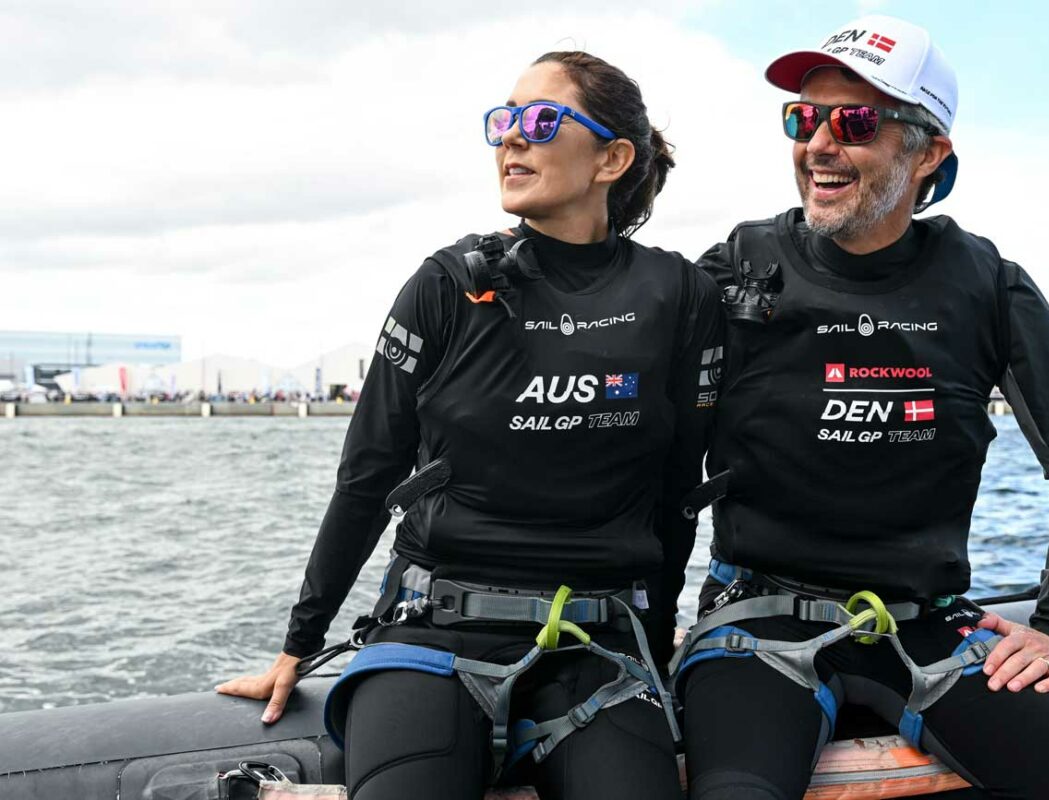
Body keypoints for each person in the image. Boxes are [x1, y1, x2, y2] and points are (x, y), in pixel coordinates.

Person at [673, 15, 1049, 800]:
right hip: (757, 624)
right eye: (804, 119)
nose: (820, 145)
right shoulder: (742, 265)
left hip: (932, 627)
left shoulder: (986, 283)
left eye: (857, 121)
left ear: (929, 151)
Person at [217, 50, 723, 800]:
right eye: (505, 120)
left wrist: (653, 646)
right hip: (433, 632)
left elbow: (680, 493)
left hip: (597, 644)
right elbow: (367, 475)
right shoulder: (448, 285)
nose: (511, 139)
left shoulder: (678, 295)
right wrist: (302, 642)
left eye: (542, 120)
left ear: (613, 158)